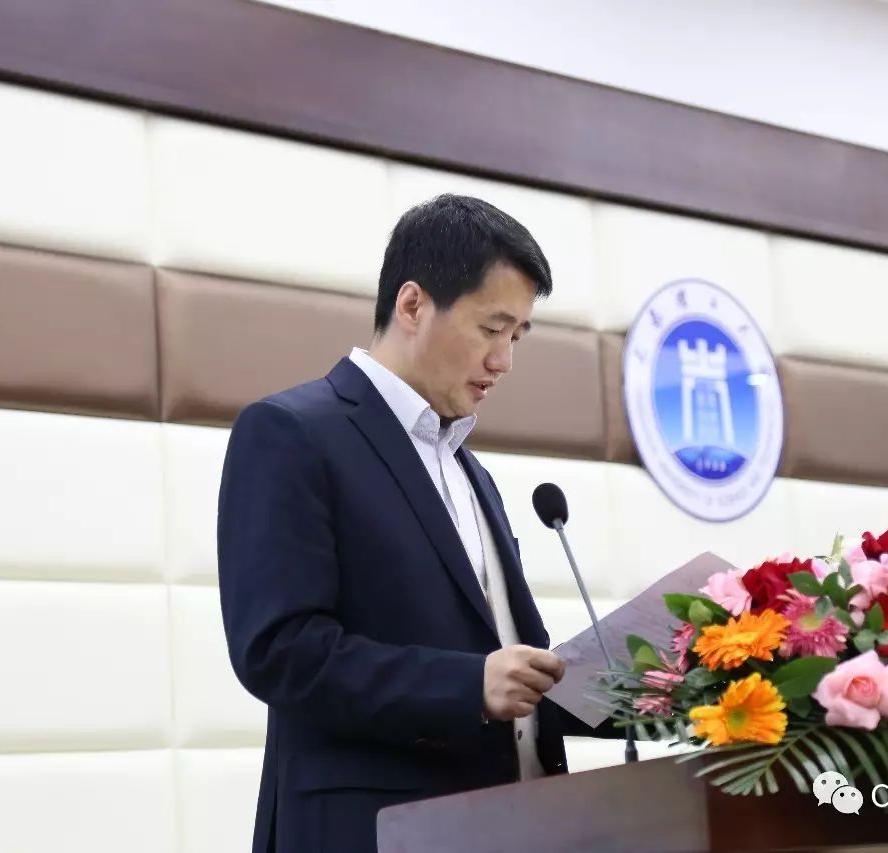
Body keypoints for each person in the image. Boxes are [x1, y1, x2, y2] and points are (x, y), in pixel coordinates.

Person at [218, 194, 617, 853]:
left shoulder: (469, 468)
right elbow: (280, 651)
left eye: (517, 336)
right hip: (372, 831)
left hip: (514, 828)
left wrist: (656, 685)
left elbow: (502, 670)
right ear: (412, 305)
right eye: (492, 329)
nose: (504, 361)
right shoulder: (292, 432)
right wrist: (468, 686)